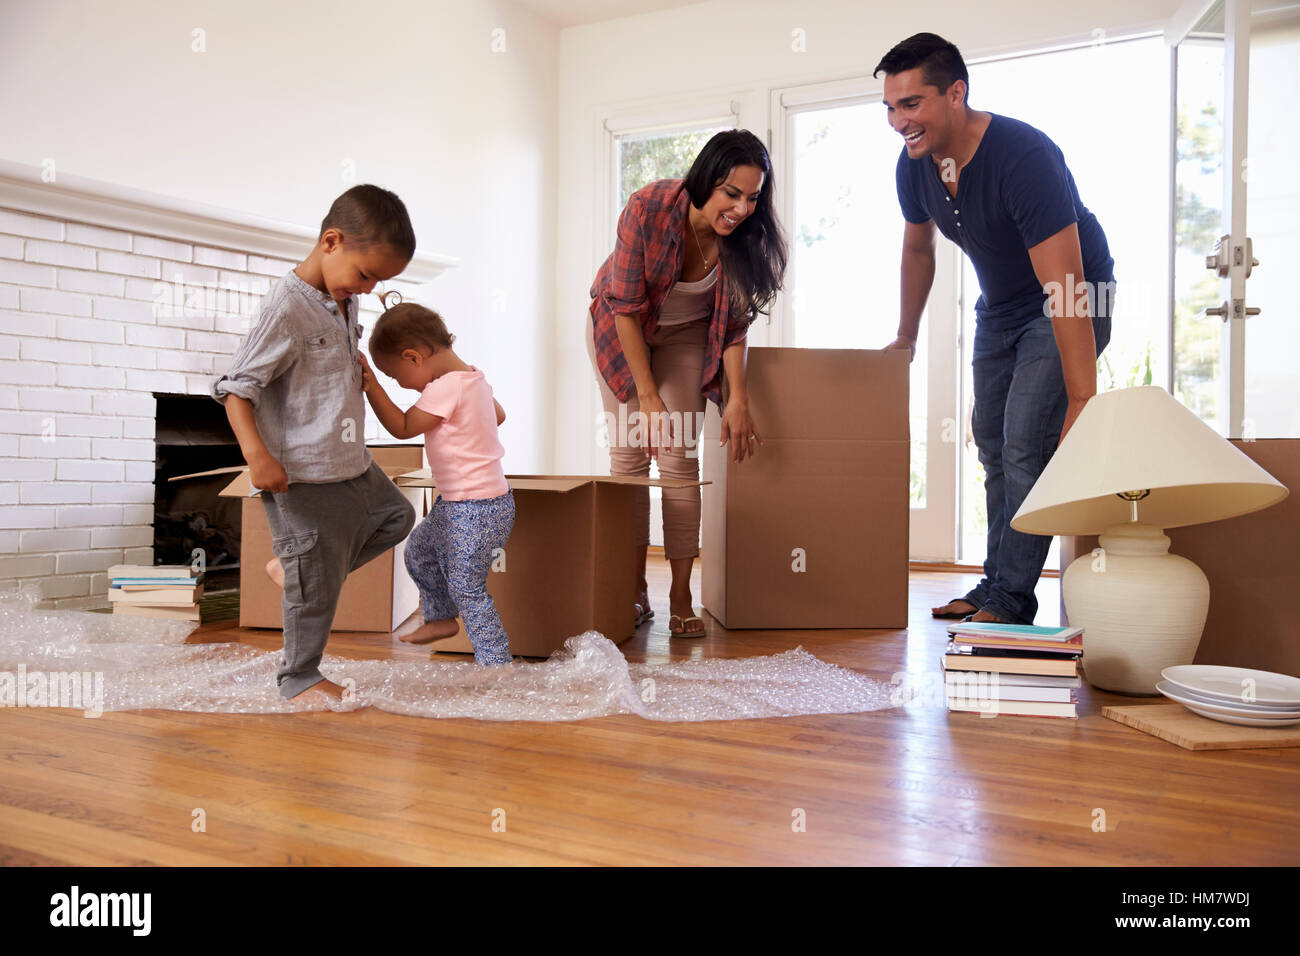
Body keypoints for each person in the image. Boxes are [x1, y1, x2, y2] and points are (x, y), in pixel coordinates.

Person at [875, 33, 1115, 626]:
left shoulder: (1023, 156)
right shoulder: (916, 167)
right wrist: (905, 335)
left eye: (912, 103)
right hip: (1001, 305)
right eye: (889, 106)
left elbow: (1064, 286)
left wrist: (1082, 396)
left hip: (1071, 297)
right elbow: (917, 251)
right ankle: (994, 583)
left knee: (1025, 441)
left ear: (956, 93)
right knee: (992, 444)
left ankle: (1013, 600)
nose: (898, 120)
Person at [213, 184, 418, 700]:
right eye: (366, 274)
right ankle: (299, 677)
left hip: (350, 461)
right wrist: (257, 457)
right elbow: (237, 390)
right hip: (302, 472)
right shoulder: (286, 309)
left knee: (397, 518)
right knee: (315, 582)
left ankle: (298, 571)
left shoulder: (339, 297)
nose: (369, 288)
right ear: (331, 242)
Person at [587, 129, 788, 638]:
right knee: (630, 457)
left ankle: (680, 592)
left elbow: (735, 328)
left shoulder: (747, 236)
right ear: (705, 181)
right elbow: (626, 309)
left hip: (686, 337)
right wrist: (648, 397)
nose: (742, 208)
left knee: (677, 459)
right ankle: (631, 588)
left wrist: (738, 398)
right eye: (732, 194)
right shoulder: (648, 208)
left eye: (752, 197)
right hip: (621, 327)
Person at [360, 302, 515, 666]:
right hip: (470, 504)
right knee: (419, 549)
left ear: (413, 357)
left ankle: (497, 664)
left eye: (397, 376)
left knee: (468, 587)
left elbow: (401, 427)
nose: (401, 385)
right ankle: (441, 618)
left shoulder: (444, 388)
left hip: (473, 508)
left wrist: (373, 386)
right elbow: (500, 415)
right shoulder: (474, 378)